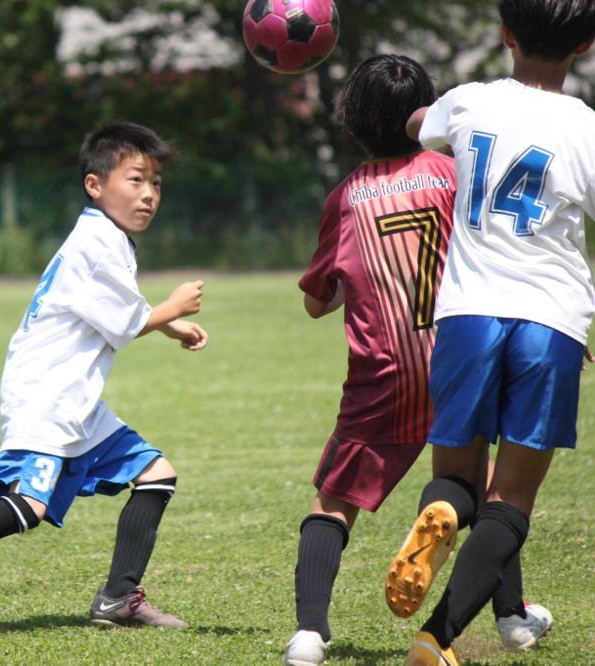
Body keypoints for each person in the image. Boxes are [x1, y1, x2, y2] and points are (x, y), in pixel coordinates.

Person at [0, 121, 208, 640]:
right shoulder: (96, 242)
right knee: (27, 507)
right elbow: (125, 322)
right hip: (48, 395)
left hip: (75, 396)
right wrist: (173, 307)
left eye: (156, 183)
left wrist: (168, 322)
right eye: (136, 179)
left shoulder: (105, 237)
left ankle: (119, 596)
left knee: (156, 474)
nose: (149, 194)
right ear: (95, 185)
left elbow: (117, 311)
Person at [284, 54, 543, 666]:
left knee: (333, 502)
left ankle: (309, 635)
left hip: (384, 366)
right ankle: (510, 618)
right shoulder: (452, 173)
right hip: (460, 351)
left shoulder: (346, 196)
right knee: (485, 487)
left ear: (350, 120)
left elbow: (317, 302)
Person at [389, 2, 595, 664]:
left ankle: (443, 514)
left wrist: (429, 114)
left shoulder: (468, 101)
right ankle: (436, 639)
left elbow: (421, 125)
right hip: (549, 320)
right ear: (586, 46)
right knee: (511, 500)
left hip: (467, 314)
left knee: (457, 479)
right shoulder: (585, 128)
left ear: (506, 35)